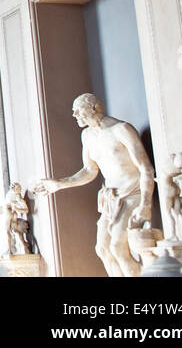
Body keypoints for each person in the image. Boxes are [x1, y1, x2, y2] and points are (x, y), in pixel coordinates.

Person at [33, 93, 155, 276]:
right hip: (110, 198)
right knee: (103, 249)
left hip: (132, 193)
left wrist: (146, 204)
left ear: (93, 107)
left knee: (117, 247)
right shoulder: (87, 135)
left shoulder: (121, 129)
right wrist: (59, 184)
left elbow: (146, 169)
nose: (74, 115)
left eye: (78, 109)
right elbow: (90, 170)